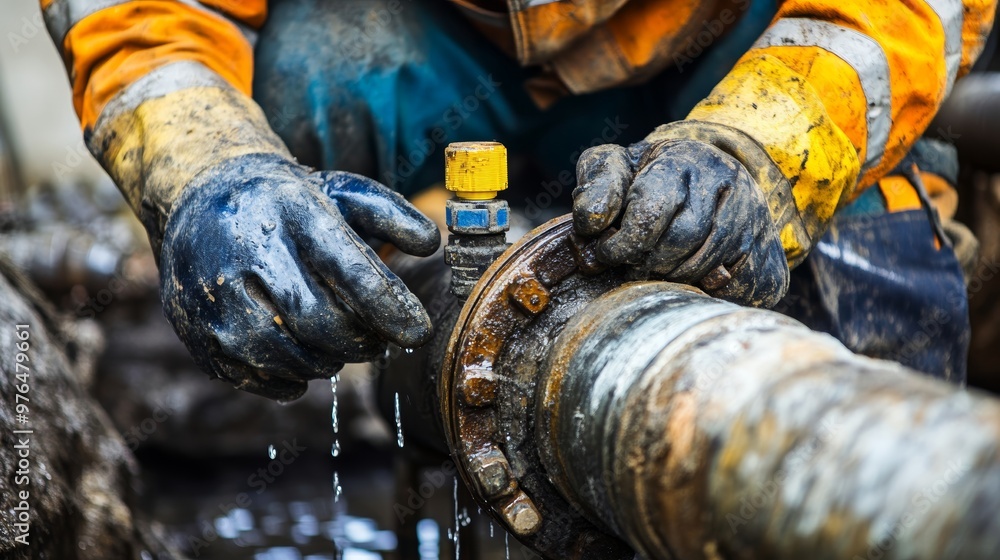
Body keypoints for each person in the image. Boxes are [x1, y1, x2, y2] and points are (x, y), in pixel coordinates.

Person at [39, 0, 994, 399]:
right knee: (306, 77)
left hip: (739, 40)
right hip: (437, 44)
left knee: (870, 279)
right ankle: (400, 349)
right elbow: (142, 17)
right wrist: (209, 175)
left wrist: (757, 154)